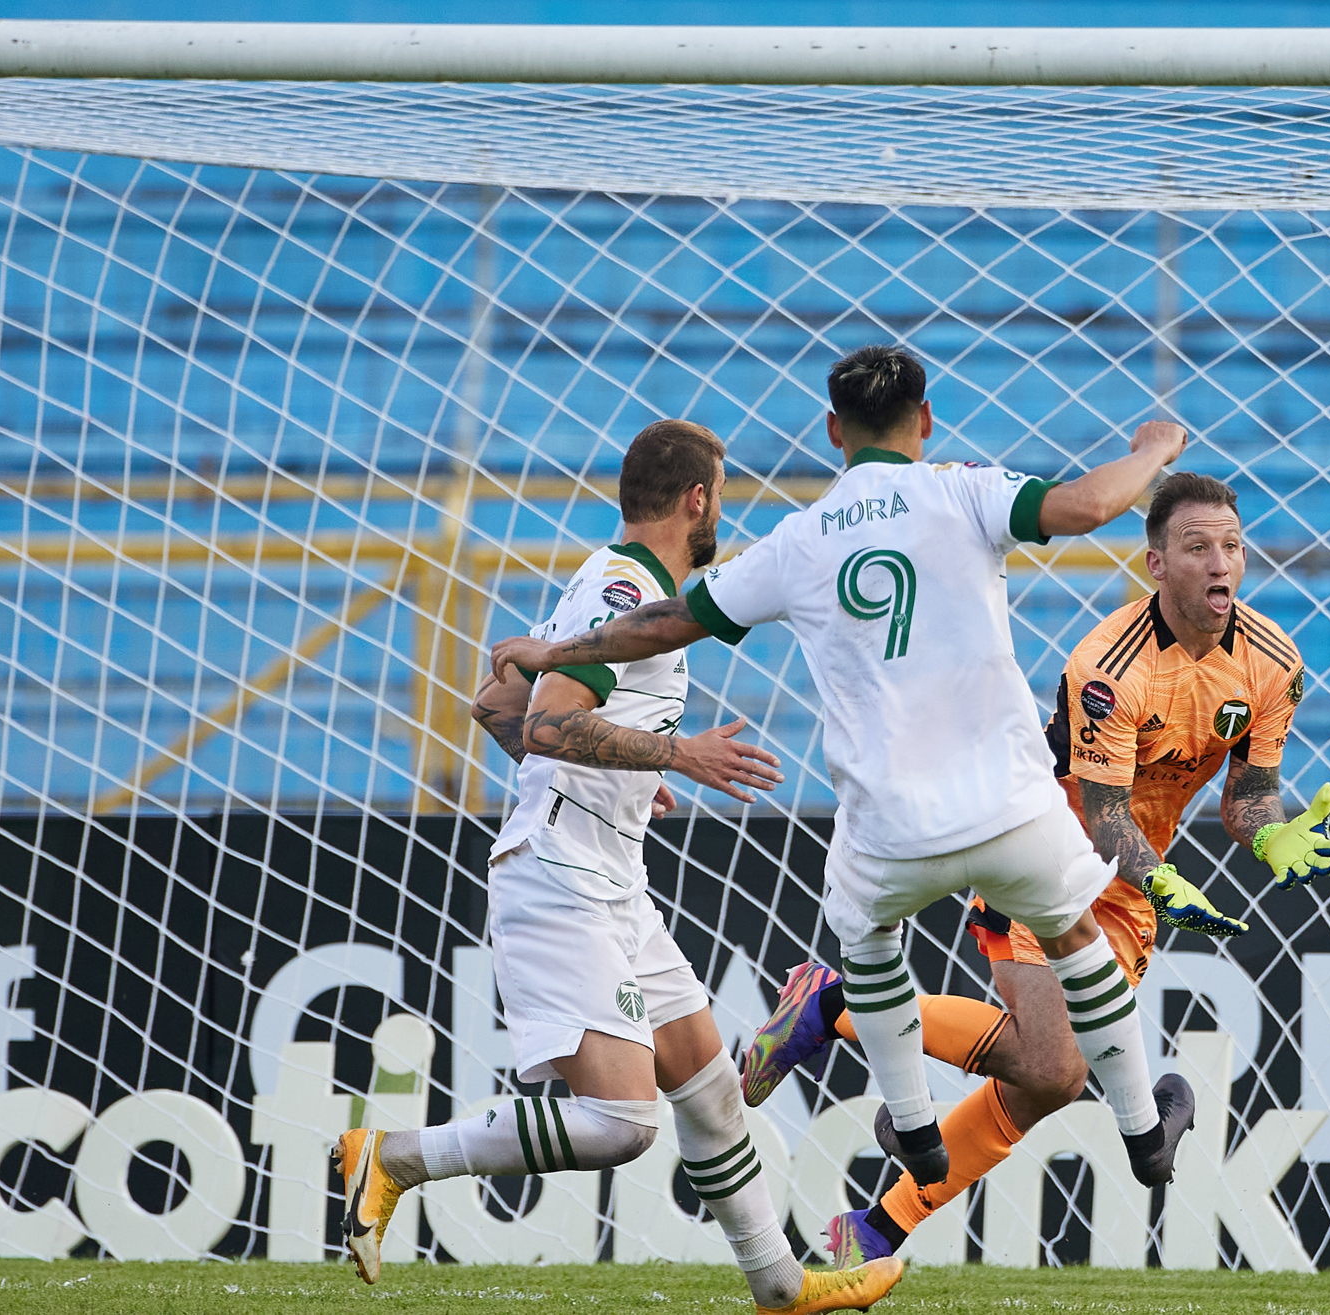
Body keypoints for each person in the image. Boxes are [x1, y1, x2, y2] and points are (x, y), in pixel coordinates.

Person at [490, 345, 1207, 1198]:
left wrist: (557, 651)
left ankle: (915, 1129)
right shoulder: (966, 490)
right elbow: (1089, 504)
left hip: (890, 829)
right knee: (1075, 936)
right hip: (1010, 809)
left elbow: (669, 621)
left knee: (867, 945)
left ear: (833, 430)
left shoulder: (798, 539)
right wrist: (1155, 448)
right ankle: (1143, 1132)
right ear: (926, 419)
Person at [335, 419, 902, 1315]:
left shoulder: (612, 577)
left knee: (710, 1089)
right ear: (697, 499)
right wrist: (673, 754)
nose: (722, 511)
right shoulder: (624, 592)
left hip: (608, 871)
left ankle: (781, 1286)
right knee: (623, 1123)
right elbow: (546, 723)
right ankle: (397, 1156)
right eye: (721, 494)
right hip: (560, 876)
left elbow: (496, 706)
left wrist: (621, 777)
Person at [737, 470, 1330, 1265]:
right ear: (1157, 564)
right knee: (1054, 1066)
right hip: (1042, 852)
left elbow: (1250, 798)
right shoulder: (1109, 665)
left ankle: (873, 1224)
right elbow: (1102, 815)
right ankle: (836, 1006)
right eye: (1196, 546)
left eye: (1231, 546)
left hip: (1133, 885)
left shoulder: (1273, 662)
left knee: (1043, 1082)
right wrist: (1162, 880)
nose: (1218, 562)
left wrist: (1272, 837)